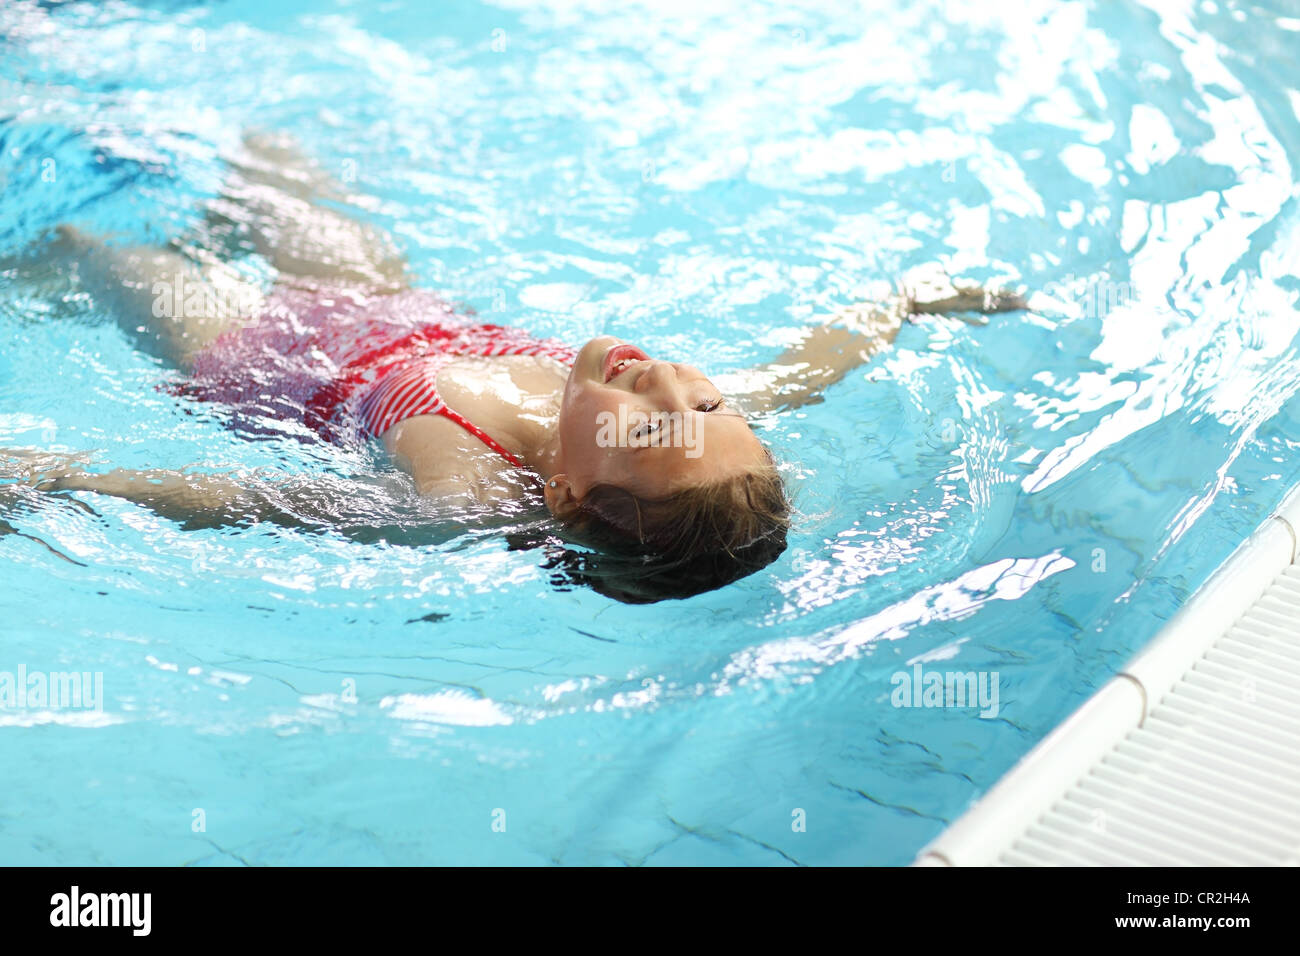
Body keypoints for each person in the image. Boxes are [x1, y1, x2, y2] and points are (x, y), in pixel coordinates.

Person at [2, 132, 1026, 602]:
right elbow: (813, 363)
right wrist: (908, 302)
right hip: (381, 296)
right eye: (706, 399)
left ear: (567, 488)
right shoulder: (704, 427)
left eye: (646, 425)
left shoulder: (465, 489)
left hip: (255, 354)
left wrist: (56, 473)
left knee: (95, 241)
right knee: (255, 152)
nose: (668, 381)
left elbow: (252, 498)